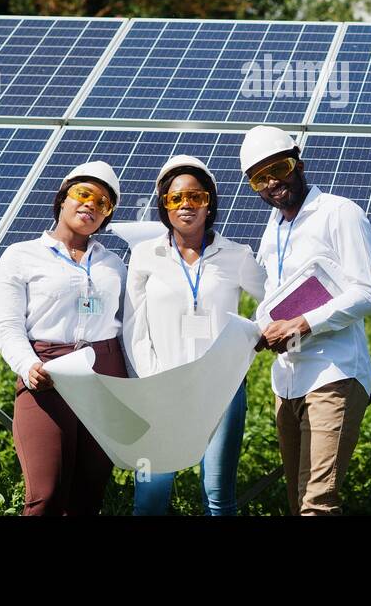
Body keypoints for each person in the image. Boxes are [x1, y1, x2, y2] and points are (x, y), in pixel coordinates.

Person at [241, 125, 371, 516]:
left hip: (333, 373)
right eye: (260, 178)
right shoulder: (273, 228)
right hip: (286, 381)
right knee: (297, 502)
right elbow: (274, 297)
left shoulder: (340, 212)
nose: (273, 182)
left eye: (280, 168)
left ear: (299, 164)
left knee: (317, 504)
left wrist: (304, 322)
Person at [123, 154, 266, 515]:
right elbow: (134, 327)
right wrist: (151, 381)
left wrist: (249, 339)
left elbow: (274, 299)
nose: (186, 205)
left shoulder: (236, 255)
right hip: (161, 386)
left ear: (210, 204)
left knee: (218, 497)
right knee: (151, 500)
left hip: (222, 390)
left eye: (196, 197)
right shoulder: (144, 255)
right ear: (163, 205)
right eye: (175, 198)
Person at [0, 160, 129, 516]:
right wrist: (27, 365)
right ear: (62, 199)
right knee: (46, 493)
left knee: (89, 494)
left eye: (103, 203)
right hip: (47, 376)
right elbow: (8, 326)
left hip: (105, 381)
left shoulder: (113, 263)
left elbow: (127, 326)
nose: (91, 205)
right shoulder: (21, 255)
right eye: (83, 194)